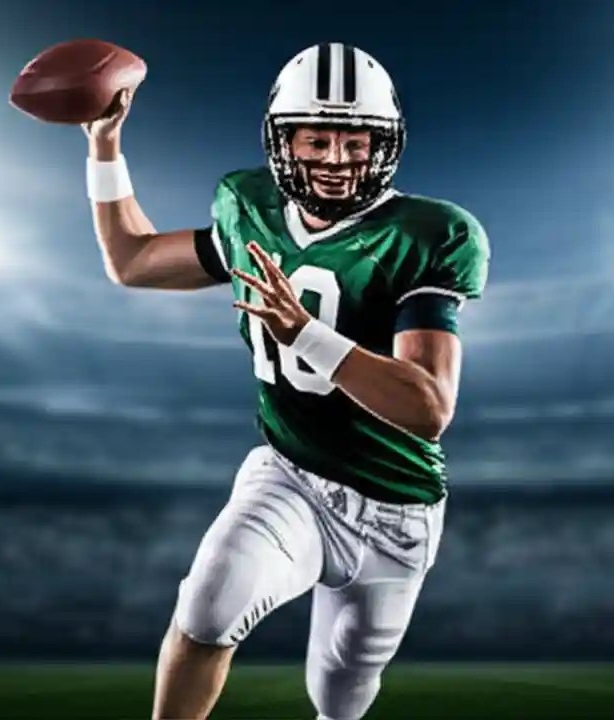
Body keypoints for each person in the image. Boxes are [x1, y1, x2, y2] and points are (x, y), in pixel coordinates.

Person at [81, 42, 490, 720]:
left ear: (385, 144)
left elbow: (427, 408)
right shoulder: (251, 206)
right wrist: (103, 146)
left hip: (395, 509)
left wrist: (307, 334)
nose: (335, 159)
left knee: (340, 694)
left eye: (355, 140)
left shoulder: (429, 233)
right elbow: (134, 261)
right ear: (282, 139)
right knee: (210, 601)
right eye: (316, 138)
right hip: (290, 472)